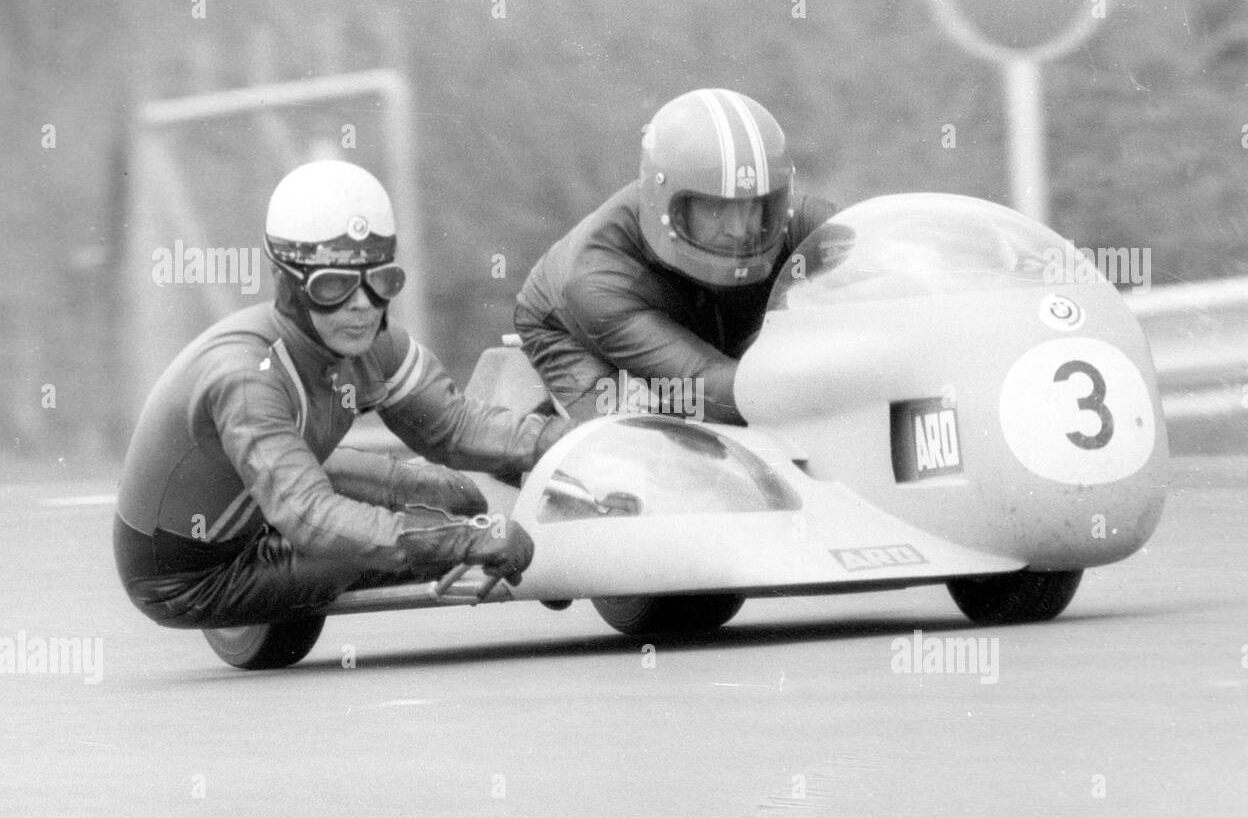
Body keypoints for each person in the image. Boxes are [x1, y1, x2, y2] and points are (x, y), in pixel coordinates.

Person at [114, 159, 566, 650]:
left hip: (262, 499)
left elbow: (453, 428)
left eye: (381, 282)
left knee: (456, 494)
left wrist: (567, 444)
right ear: (288, 285)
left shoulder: (372, 337)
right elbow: (310, 516)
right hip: (190, 571)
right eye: (333, 286)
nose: (362, 306)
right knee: (417, 540)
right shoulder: (247, 377)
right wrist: (461, 542)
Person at [514, 88, 838, 424]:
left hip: (699, 315)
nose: (740, 229)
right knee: (645, 448)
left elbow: (882, 255)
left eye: (754, 205)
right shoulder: (597, 283)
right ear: (671, 207)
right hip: (573, 330)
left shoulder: (794, 220)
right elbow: (708, 387)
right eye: (716, 209)